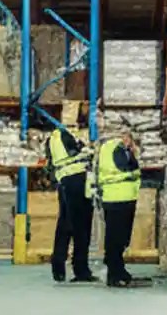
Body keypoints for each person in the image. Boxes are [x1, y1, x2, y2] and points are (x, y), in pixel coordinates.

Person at [91, 129, 144, 288]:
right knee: (116, 238)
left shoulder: (113, 148)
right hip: (117, 198)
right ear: (125, 137)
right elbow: (125, 169)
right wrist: (136, 167)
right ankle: (114, 273)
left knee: (119, 238)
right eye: (132, 141)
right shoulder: (115, 148)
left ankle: (119, 270)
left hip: (121, 198)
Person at [46, 119, 97, 283]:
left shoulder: (53, 139)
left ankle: (58, 265)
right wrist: (91, 151)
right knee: (81, 226)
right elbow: (76, 153)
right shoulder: (64, 136)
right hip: (77, 181)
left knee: (65, 225)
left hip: (65, 182)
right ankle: (81, 270)